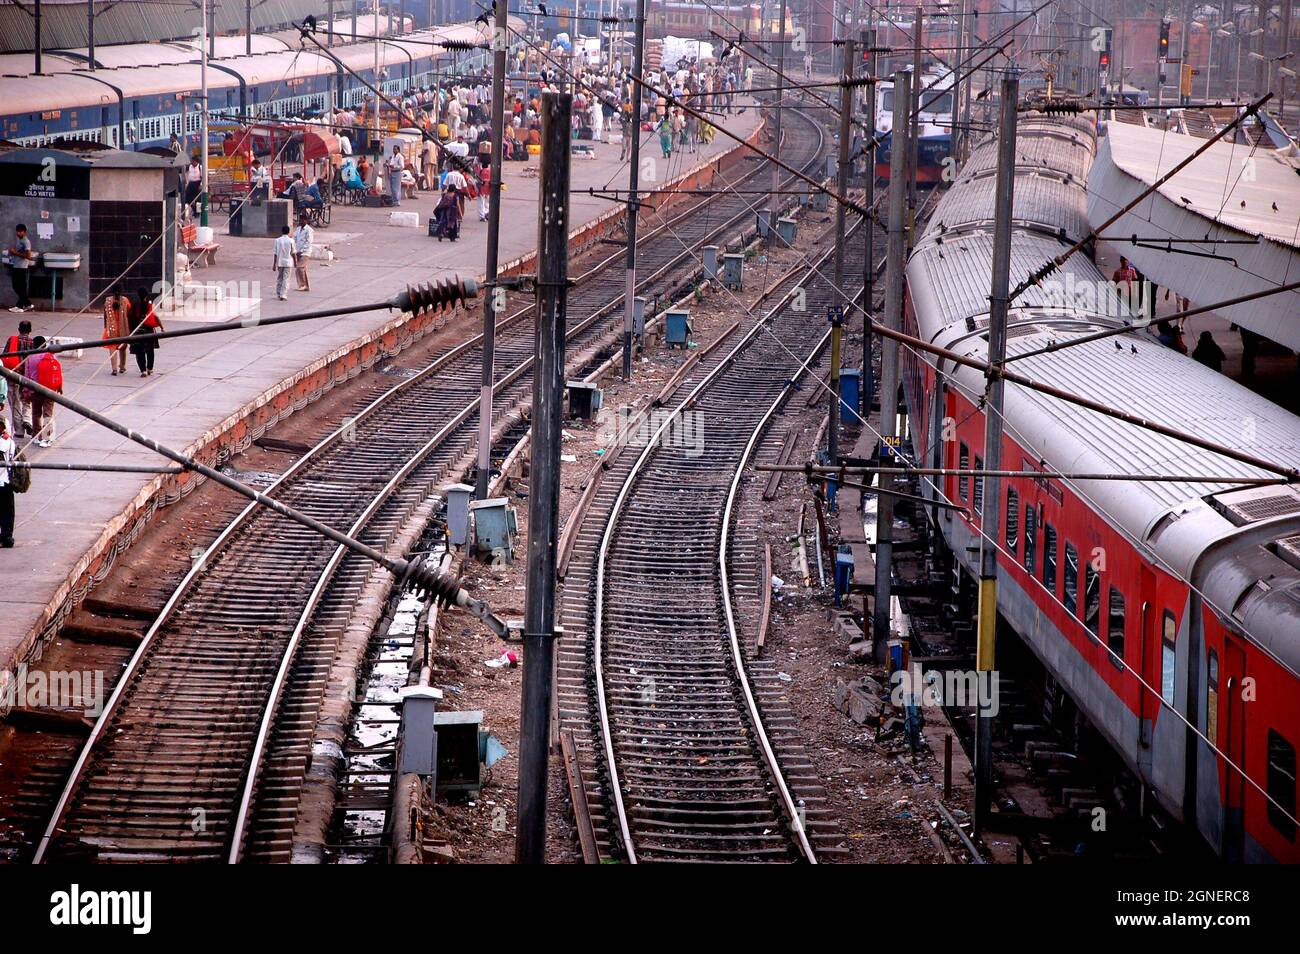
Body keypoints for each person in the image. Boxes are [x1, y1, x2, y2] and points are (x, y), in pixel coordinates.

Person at [21, 336, 60, 446]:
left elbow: (27, 376)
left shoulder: (30, 358)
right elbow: (56, 372)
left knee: (36, 413)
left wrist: (26, 392)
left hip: (35, 388)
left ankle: (36, 436)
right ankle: (48, 438)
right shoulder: (51, 356)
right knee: (48, 413)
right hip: (49, 389)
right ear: (44, 344)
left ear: (34, 345)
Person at [3, 319, 32, 435]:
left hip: (13, 374)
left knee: (15, 402)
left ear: (19, 329)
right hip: (27, 376)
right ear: (30, 330)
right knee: (26, 399)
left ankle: (19, 431)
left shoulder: (12, 340)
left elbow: (5, 356)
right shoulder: (32, 342)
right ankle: (27, 419)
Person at [130, 288, 163, 377]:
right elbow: (155, 316)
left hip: (138, 332)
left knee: (139, 351)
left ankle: (143, 370)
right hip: (149, 331)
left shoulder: (135, 305)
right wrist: (162, 327)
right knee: (150, 350)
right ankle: (150, 368)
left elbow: (131, 318)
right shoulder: (149, 304)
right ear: (146, 295)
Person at [7, 225, 34, 313]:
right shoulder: (19, 240)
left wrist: (15, 253)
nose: (18, 233)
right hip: (16, 265)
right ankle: (27, 304)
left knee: (20, 287)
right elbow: (17, 251)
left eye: (20, 231)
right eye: (17, 231)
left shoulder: (26, 242)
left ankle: (20, 305)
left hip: (22, 267)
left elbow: (28, 256)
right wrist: (12, 252)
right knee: (16, 286)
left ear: (25, 232)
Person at [103, 294, 131, 376]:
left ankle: (114, 369)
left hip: (111, 328)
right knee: (123, 346)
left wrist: (105, 326)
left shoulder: (107, 301)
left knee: (112, 347)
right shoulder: (125, 300)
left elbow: (105, 315)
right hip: (122, 327)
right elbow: (129, 311)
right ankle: (122, 367)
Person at [0, 411, 15, 547]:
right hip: (5, 481)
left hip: (4, 480)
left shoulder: (5, 441)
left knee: (6, 511)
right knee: (6, 511)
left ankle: (6, 536)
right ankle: (5, 536)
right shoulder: (8, 440)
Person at [272, 226, 294, 300]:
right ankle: (283, 294)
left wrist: (274, 264)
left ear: (282, 231)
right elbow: (293, 252)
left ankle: (278, 293)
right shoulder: (291, 241)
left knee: (280, 278)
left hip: (280, 262)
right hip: (288, 262)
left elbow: (275, 253)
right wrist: (295, 261)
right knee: (286, 278)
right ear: (288, 232)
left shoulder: (277, 240)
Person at [293, 215, 314, 292]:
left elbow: (309, 242)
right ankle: (306, 286)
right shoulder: (298, 229)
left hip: (305, 252)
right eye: (300, 220)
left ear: (306, 221)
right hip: (298, 251)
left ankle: (302, 285)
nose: (301, 222)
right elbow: (294, 238)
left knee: (299, 268)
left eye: (302, 220)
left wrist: (301, 250)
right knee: (303, 269)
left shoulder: (309, 230)